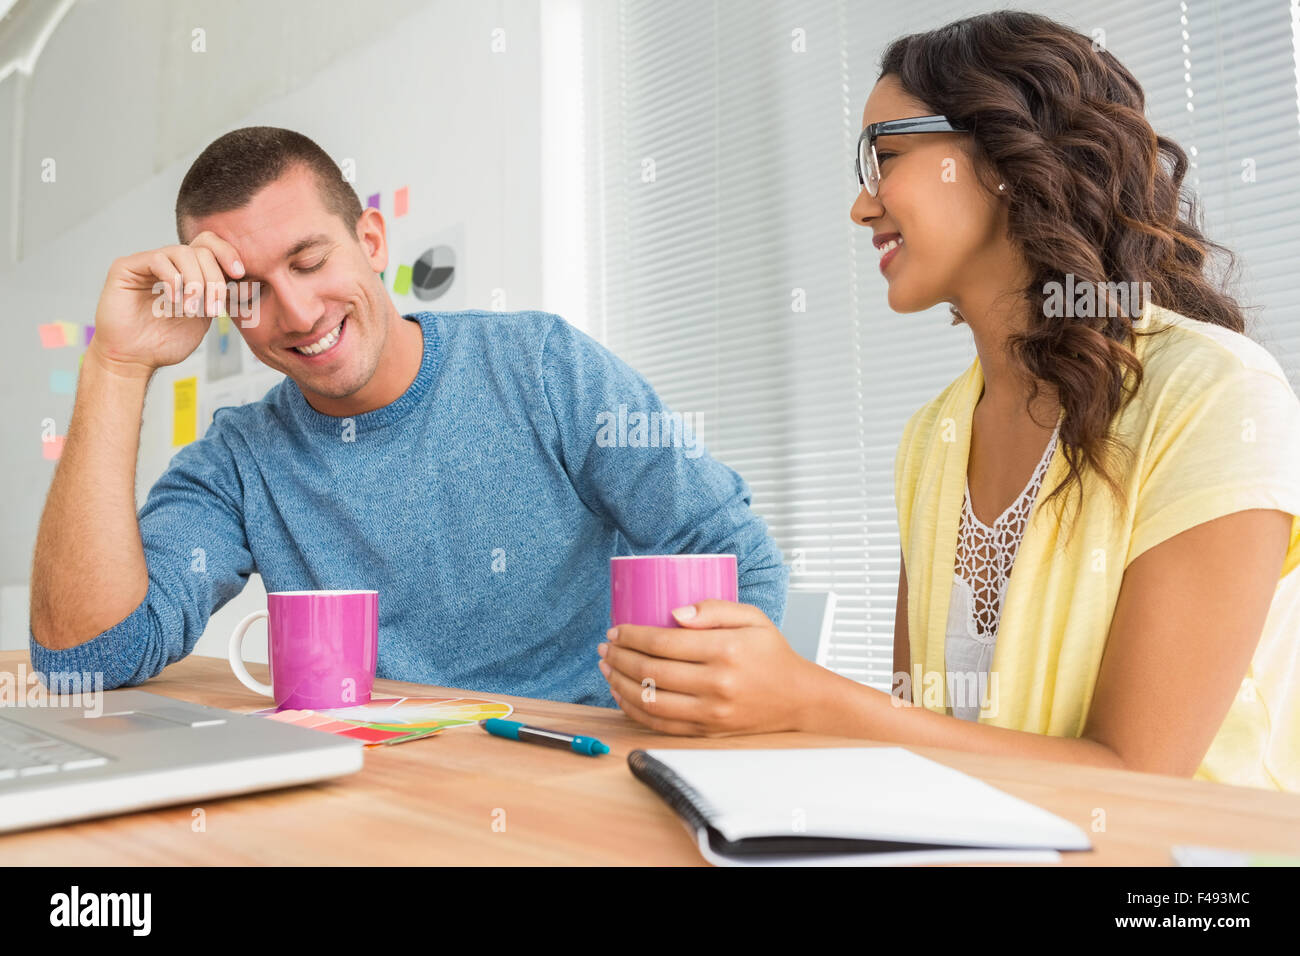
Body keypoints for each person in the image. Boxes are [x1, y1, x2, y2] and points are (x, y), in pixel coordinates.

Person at [596, 11, 1300, 791]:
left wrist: (807, 698)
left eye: (885, 157)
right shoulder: (934, 438)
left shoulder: (1217, 398)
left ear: (1002, 155)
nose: (861, 206)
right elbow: (924, 743)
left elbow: (1138, 778)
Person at [28, 126, 788, 708]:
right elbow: (86, 660)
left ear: (371, 241)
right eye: (249, 292)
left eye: (309, 261)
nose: (298, 312)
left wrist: (682, 718)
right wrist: (115, 366)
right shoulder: (238, 460)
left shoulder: (544, 367)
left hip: (571, 779)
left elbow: (732, 555)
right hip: (376, 800)